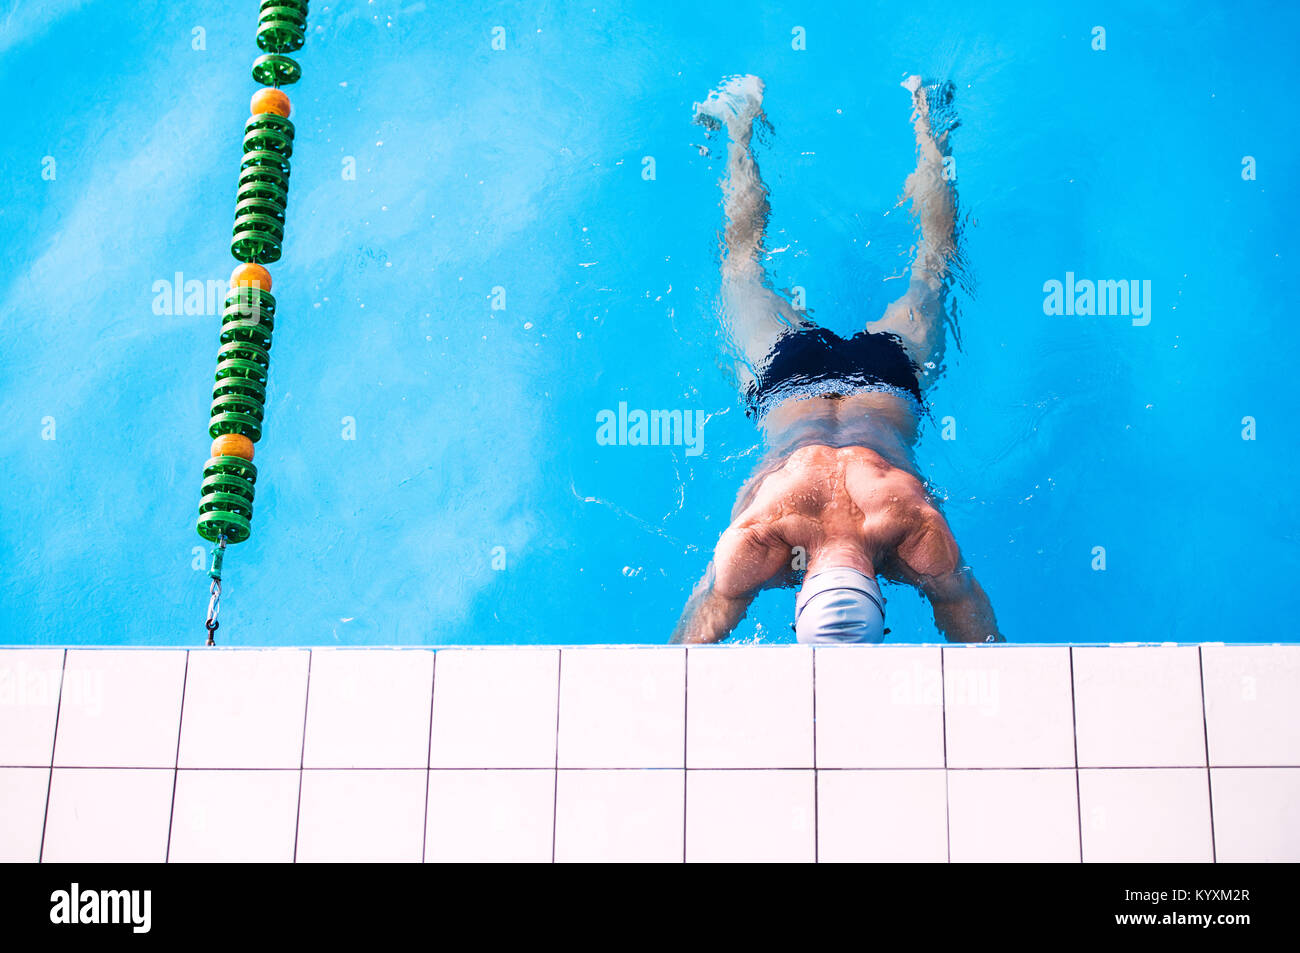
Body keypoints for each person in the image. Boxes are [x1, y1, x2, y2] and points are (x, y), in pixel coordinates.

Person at [671, 74, 1003, 645]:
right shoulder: (758, 543)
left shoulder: (916, 532)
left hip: (886, 380)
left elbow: (982, 641)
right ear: (801, 604)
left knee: (933, 261)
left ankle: (928, 128)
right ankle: (741, 128)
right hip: (786, 384)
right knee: (741, 265)